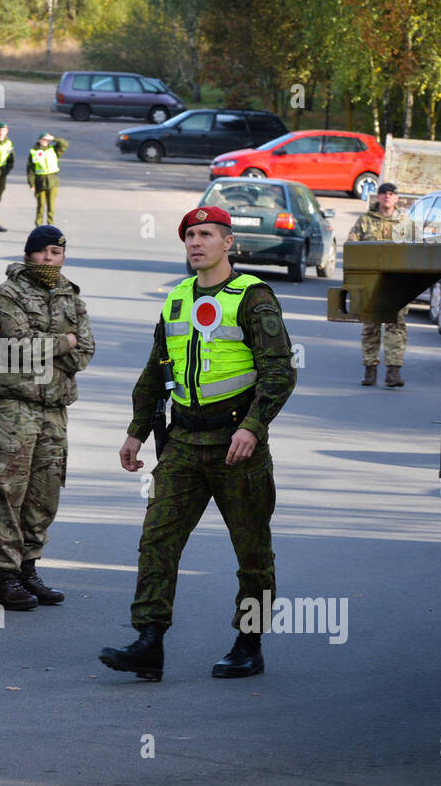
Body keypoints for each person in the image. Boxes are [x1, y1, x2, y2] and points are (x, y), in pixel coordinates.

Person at [100, 206, 296, 682]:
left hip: (236, 442)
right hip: (184, 441)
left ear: (228, 243)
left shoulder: (252, 297)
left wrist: (253, 427)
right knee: (157, 540)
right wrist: (135, 430)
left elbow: (279, 371)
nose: (196, 242)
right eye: (189, 235)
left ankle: (249, 644)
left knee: (252, 551)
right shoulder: (177, 299)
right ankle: (149, 641)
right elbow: (154, 372)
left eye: (206, 234)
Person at [0, 225, 94, 610]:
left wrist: (56, 347)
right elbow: (16, 346)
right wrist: (64, 341)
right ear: (28, 255)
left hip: (54, 409)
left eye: (55, 253)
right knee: (5, 489)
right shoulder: (8, 293)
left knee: (44, 492)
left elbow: (86, 352)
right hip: (14, 407)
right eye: (41, 252)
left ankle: (28, 570)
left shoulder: (71, 297)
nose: (48, 259)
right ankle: (3, 578)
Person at [349, 182, 416, 387]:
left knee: (396, 325)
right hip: (371, 282)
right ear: (377, 197)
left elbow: (416, 251)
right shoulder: (365, 221)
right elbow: (352, 247)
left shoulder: (406, 223)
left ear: (396, 198)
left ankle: (393, 372)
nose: (387, 197)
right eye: (383, 194)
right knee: (371, 326)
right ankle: (370, 370)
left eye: (391, 194)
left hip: (397, 282)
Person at [27, 132, 68, 226]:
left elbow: (64, 144)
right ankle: (38, 225)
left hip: (52, 181)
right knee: (40, 205)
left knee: (51, 205)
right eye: (43, 139)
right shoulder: (34, 152)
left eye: (47, 140)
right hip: (40, 181)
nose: (45, 141)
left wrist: (53, 138)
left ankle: (50, 224)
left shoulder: (54, 149)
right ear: (39, 140)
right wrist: (31, 183)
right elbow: (30, 169)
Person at [0, 123, 15, 206]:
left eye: (4, 131)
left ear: (7, 132)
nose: (2, 133)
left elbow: (11, 159)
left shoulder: (8, 143)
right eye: (0, 130)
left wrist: (5, 171)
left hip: (2, 173)